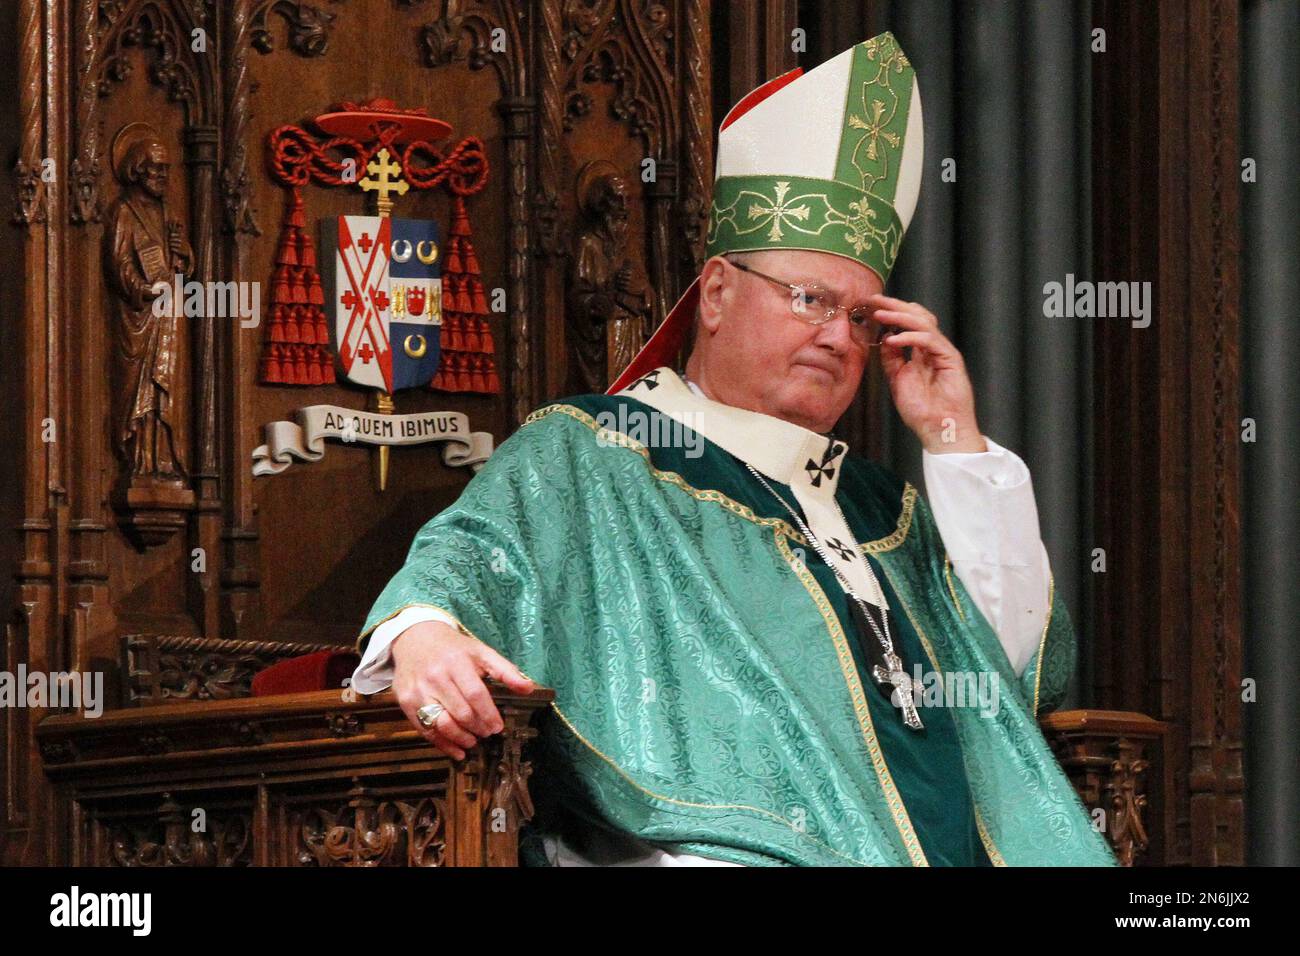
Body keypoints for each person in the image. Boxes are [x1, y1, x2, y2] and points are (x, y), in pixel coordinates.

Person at [352, 32, 1116, 866]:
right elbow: (462, 566)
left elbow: (1015, 676)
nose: (836, 335)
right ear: (716, 292)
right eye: (808, 298)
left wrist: (953, 443)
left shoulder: (879, 510)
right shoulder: (597, 452)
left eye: (860, 318)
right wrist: (424, 637)